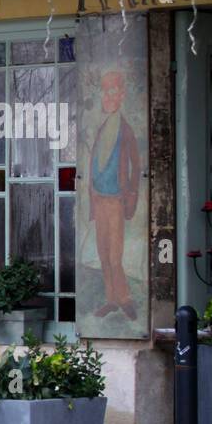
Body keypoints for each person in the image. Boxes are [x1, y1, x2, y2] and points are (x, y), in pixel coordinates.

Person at [88, 70, 141, 320]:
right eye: (104, 91)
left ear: (121, 95)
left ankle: (126, 298)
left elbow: (135, 166)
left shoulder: (125, 130)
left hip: (115, 201)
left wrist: (129, 197)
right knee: (102, 252)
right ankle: (111, 299)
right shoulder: (102, 127)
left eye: (112, 91)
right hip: (100, 199)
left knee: (114, 255)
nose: (107, 96)